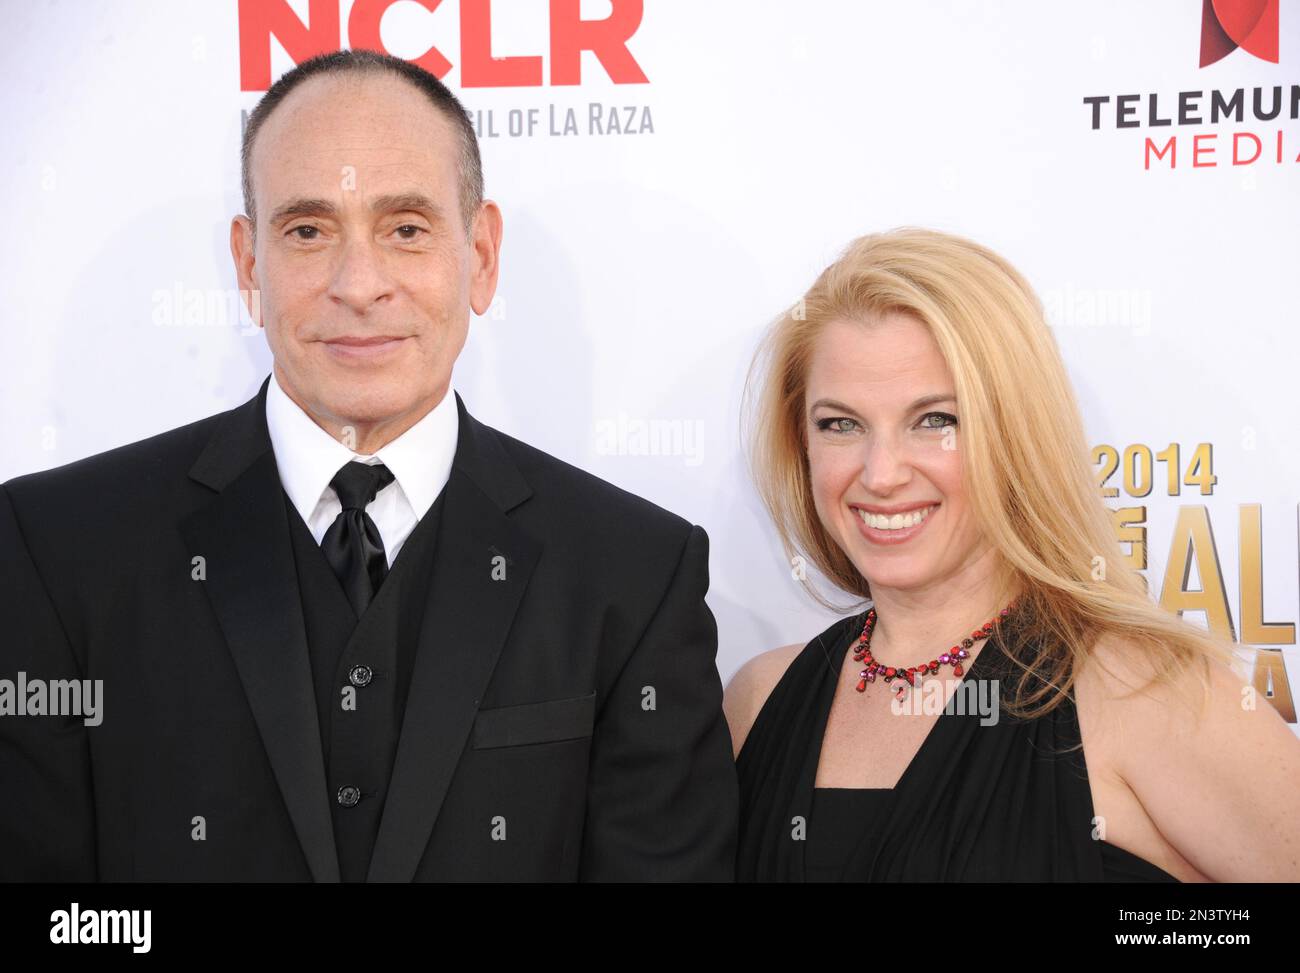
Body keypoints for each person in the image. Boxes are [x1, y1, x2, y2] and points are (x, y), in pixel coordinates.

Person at [0, 49, 736, 882]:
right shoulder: (57, 549)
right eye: (308, 230)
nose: (359, 283)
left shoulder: (633, 573)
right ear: (248, 265)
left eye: (407, 229)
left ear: (482, 256)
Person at [725, 227, 1300, 882]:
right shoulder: (758, 700)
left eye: (936, 419)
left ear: (1016, 433)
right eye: (841, 424)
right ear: (800, 442)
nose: (880, 472)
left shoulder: (1142, 693)